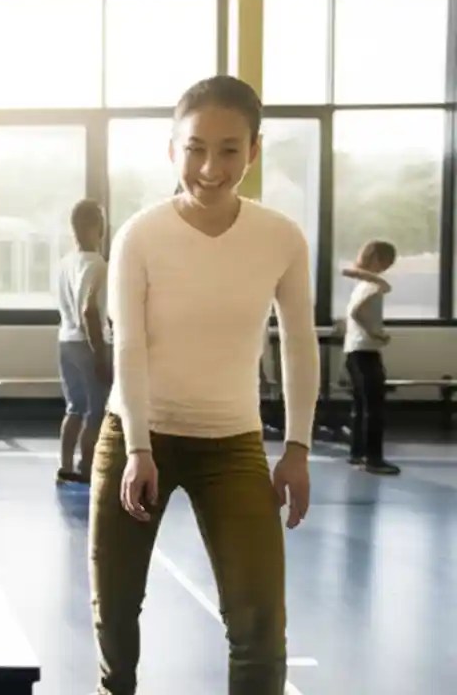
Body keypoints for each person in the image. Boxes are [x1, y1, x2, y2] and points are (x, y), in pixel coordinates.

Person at [91, 76, 319, 695]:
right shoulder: (141, 233)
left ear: (254, 151)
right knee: (115, 611)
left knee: (259, 623)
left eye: (228, 149)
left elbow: (299, 343)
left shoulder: (281, 238)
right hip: (137, 434)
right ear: (172, 151)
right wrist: (138, 448)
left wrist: (297, 447)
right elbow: (129, 345)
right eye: (195, 148)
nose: (210, 167)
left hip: (233, 443)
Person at [55, 198, 112, 485]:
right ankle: (87, 466)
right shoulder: (98, 265)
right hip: (87, 343)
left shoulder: (65, 263)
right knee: (95, 410)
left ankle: (65, 465)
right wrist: (100, 353)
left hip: (65, 341)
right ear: (97, 229)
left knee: (74, 407)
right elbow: (90, 311)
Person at [341, 240, 400, 475]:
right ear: (376, 258)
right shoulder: (374, 285)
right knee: (374, 407)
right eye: (386, 260)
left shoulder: (366, 283)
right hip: (365, 350)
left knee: (361, 405)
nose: (387, 266)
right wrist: (376, 333)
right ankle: (374, 459)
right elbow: (357, 313)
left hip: (354, 350)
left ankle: (357, 454)